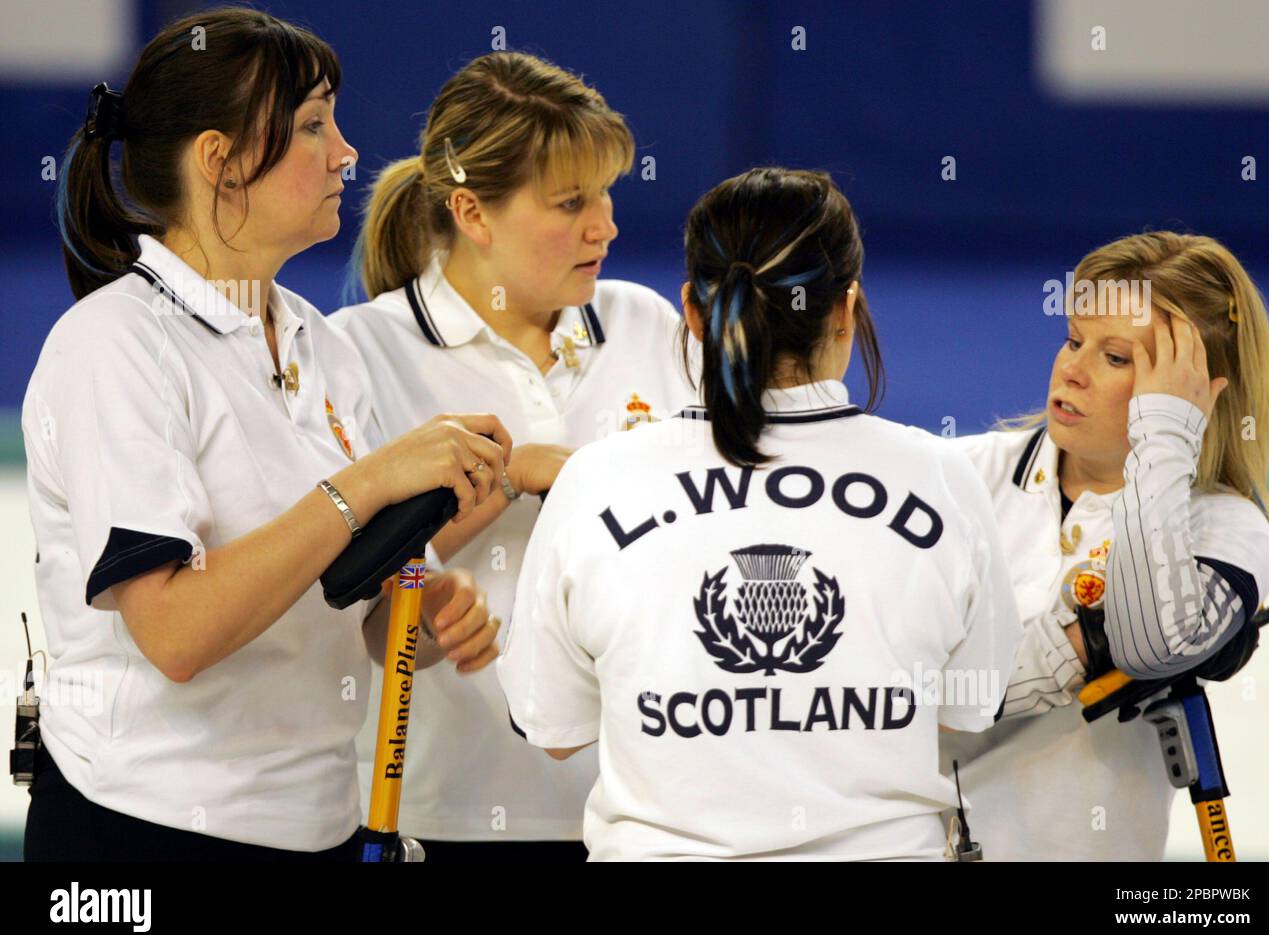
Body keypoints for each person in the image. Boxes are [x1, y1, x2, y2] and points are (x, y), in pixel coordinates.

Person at [22, 7, 508, 862]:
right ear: (220, 160)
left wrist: (424, 612)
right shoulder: (112, 343)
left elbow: (353, 605)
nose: (346, 152)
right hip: (142, 831)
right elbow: (176, 634)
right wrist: (368, 482)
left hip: (317, 825)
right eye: (314, 126)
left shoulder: (322, 344)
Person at [496, 167, 1023, 860]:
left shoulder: (595, 481)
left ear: (692, 311)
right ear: (847, 308)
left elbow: (553, 729)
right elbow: (966, 708)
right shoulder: (943, 478)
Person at [333, 51, 696, 860]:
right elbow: (336, 590)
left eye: (604, 193)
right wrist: (507, 478)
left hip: (641, 815)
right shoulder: (355, 352)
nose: (603, 225)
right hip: (436, 813)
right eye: (570, 202)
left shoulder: (648, 325)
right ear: (472, 211)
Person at [942, 231, 1269, 860]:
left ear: (1199, 392)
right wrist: (1084, 642)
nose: (1072, 370)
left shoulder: (1228, 528)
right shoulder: (951, 475)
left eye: (1117, 358)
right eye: (1074, 340)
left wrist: (1164, 439)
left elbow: (1148, 643)